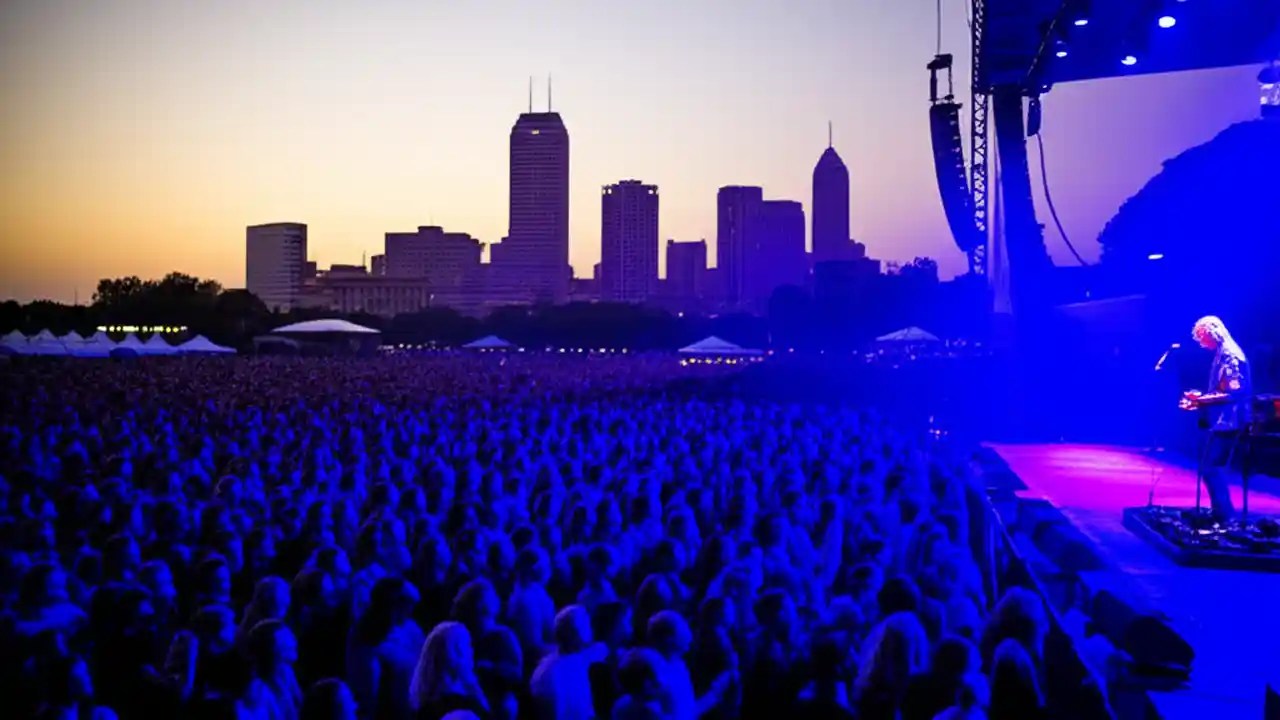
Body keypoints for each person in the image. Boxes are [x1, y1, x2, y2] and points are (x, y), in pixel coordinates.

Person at [1180, 315, 1253, 521]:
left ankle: (1224, 515)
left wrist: (1202, 401)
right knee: (1210, 468)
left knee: (1212, 468)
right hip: (1223, 420)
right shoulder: (1223, 353)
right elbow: (1223, 390)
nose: (1202, 344)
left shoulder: (1230, 355)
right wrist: (1200, 399)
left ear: (1213, 333)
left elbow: (1235, 392)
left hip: (1230, 420)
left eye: (1203, 338)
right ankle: (1221, 513)